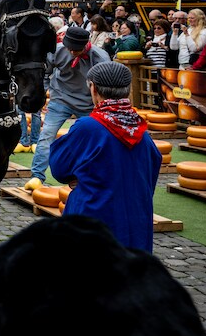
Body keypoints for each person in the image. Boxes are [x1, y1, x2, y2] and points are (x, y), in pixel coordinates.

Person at [0, 216, 206, 336]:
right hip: (129, 225)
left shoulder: (85, 129)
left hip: (90, 207)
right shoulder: (157, 287)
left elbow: (63, 164)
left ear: (94, 95)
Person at [49, 62, 161, 252]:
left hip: (92, 220)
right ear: (127, 91)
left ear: (93, 88)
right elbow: (150, 174)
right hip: (136, 221)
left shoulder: (88, 127)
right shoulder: (142, 132)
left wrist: (80, 178)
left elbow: (59, 168)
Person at [25, 26, 111, 192]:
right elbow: (44, 73)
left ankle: (87, 177)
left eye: (76, 49)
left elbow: (106, 87)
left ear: (86, 45)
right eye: (69, 48)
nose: (72, 52)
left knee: (91, 140)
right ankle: (37, 176)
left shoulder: (101, 58)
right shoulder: (57, 51)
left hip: (88, 103)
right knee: (47, 135)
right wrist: (42, 93)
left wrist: (101, 106)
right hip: (60, 98)